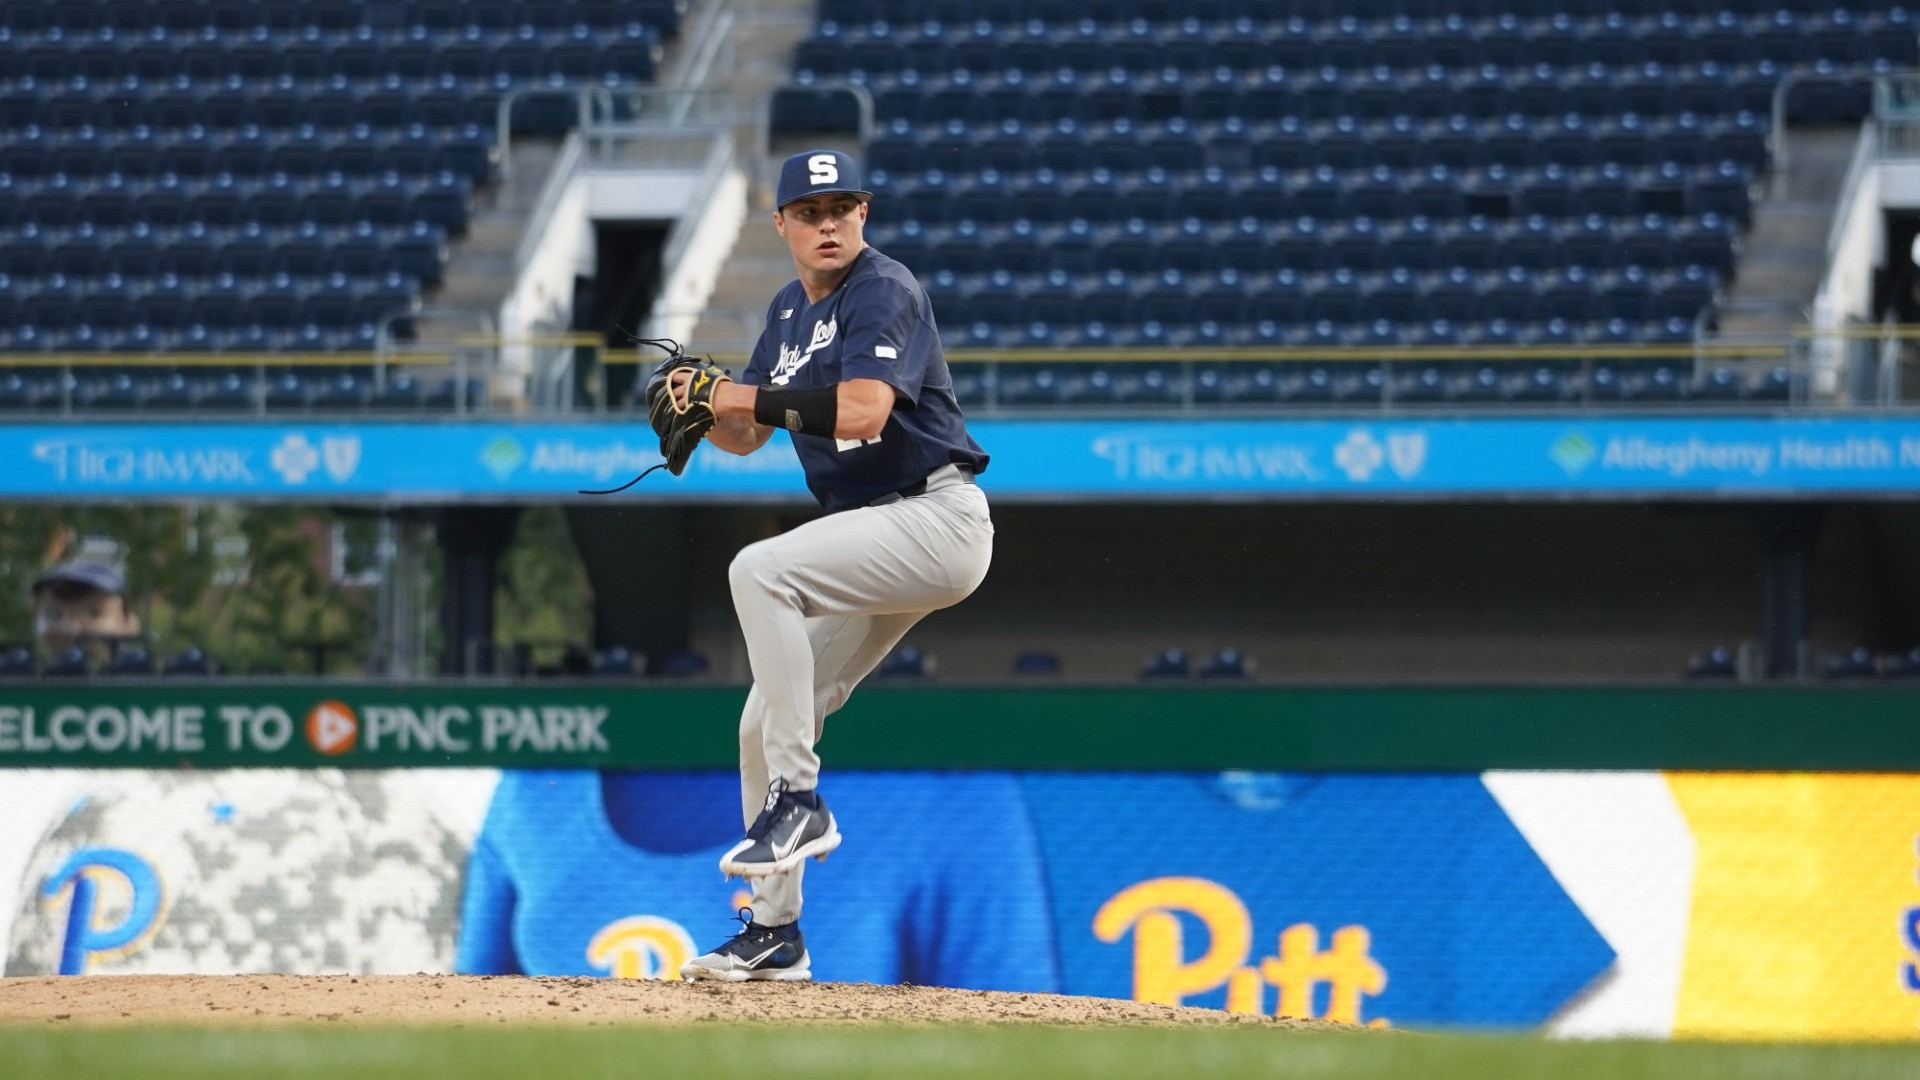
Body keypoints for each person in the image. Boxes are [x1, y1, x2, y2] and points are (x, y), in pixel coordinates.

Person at [669, 148, 994, 982]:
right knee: (761, 722)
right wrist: (702, 404)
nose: (828, 223)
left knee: (759, 570)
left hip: (935, 517)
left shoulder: (884, 288)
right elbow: (746, 434)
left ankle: (799, 801)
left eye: (842, 207)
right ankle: (775, 935)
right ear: (781, 224)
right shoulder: (785, 314)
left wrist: (739, 398)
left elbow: (862, 409)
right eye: (810, 212)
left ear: (864, 215)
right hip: (875, 534)